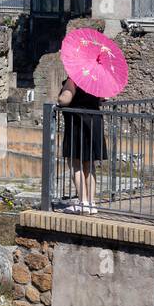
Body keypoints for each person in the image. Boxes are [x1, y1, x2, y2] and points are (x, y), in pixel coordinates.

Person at [58, 76, 107, 214]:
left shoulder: (74, 78)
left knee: (75, 163)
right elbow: (102, 98)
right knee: (89, 164)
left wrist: (60, 98)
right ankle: (91, 203)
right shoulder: (97, 78)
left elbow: (65, 99)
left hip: (78, 122)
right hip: (95, 121)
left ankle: (83, 202)